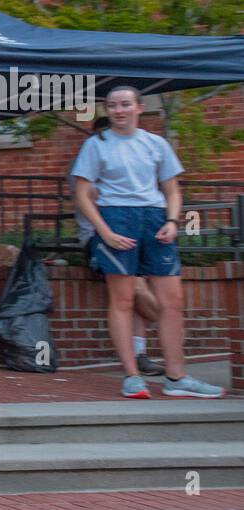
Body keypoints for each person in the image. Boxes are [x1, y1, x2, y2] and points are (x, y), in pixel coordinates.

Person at [71, 86, 224, 399]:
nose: (119, 110)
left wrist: (172, 220)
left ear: (139, 108)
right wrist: (104, 230)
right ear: (107, 110)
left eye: (125, 104)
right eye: (112, 105)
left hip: (155, 219)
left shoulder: (156, 143)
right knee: (123, 300)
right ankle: (132, 376)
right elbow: (82, 194)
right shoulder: (95, 145)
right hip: (116, 217)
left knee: (173, 301)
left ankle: (177, 377)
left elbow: (172, 190)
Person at [68, 115, 163, 376]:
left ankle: (140, 352)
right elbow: (90, 198)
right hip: (98, 236)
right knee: (134, 289)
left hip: (134, 233)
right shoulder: (88, 161)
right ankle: (167, 324)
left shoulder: (139, 154)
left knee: (133, 293)